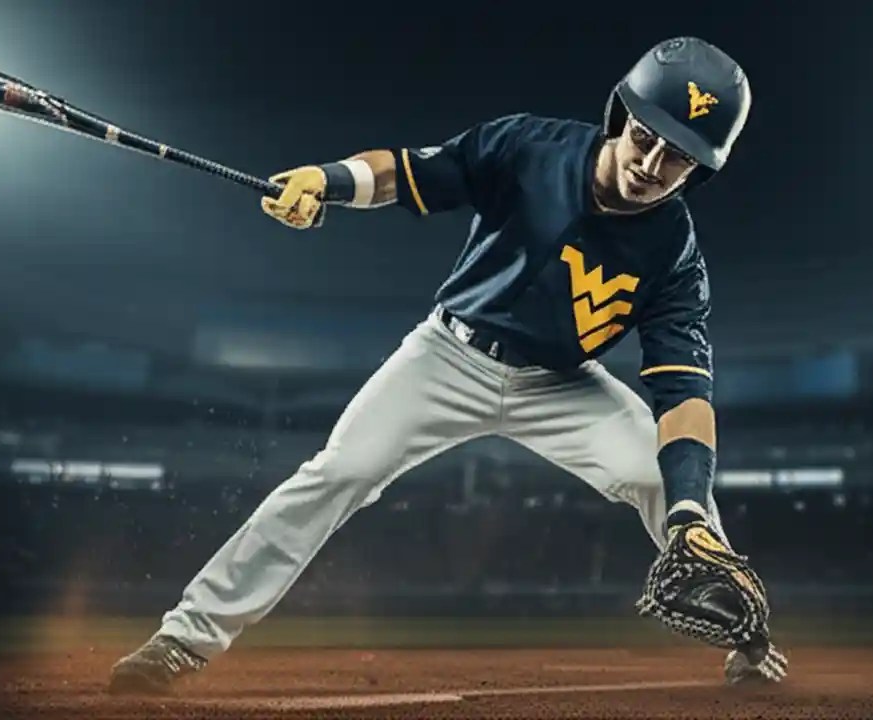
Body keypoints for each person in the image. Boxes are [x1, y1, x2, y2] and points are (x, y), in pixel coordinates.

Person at [107, 35, 786, 695]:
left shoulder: (675, 256)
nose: (651, 164)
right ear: (621, 117)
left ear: (701, 170)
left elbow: (684, 392)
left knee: (666, 480)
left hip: (563, 383)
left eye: (678, 158)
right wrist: (328, 179)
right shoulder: (529, 147)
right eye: (646, 138)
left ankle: (747, 639)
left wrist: (691, 509)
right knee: (338, 472)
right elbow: (410, 173)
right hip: (448, 357)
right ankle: (185, 637)